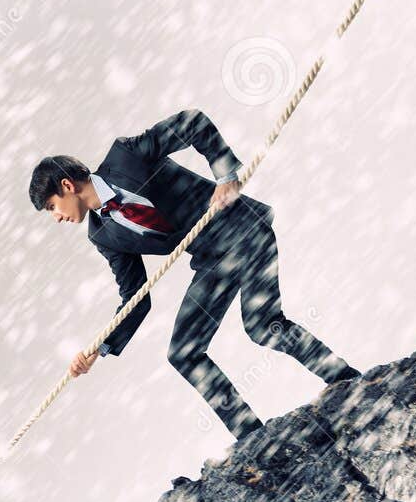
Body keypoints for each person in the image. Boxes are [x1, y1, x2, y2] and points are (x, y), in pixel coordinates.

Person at [28, 107, 356, 442]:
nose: (56, 218)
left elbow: (192, 123)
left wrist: (226, 177)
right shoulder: (101, 234)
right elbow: (135, 297)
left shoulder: (125, 156)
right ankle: (255, 440)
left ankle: (348, 381)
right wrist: (100, 347)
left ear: (67, 185)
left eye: (51, 207)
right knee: (184, 353)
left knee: (262, 326)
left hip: (243, 232)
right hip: (213, 260)